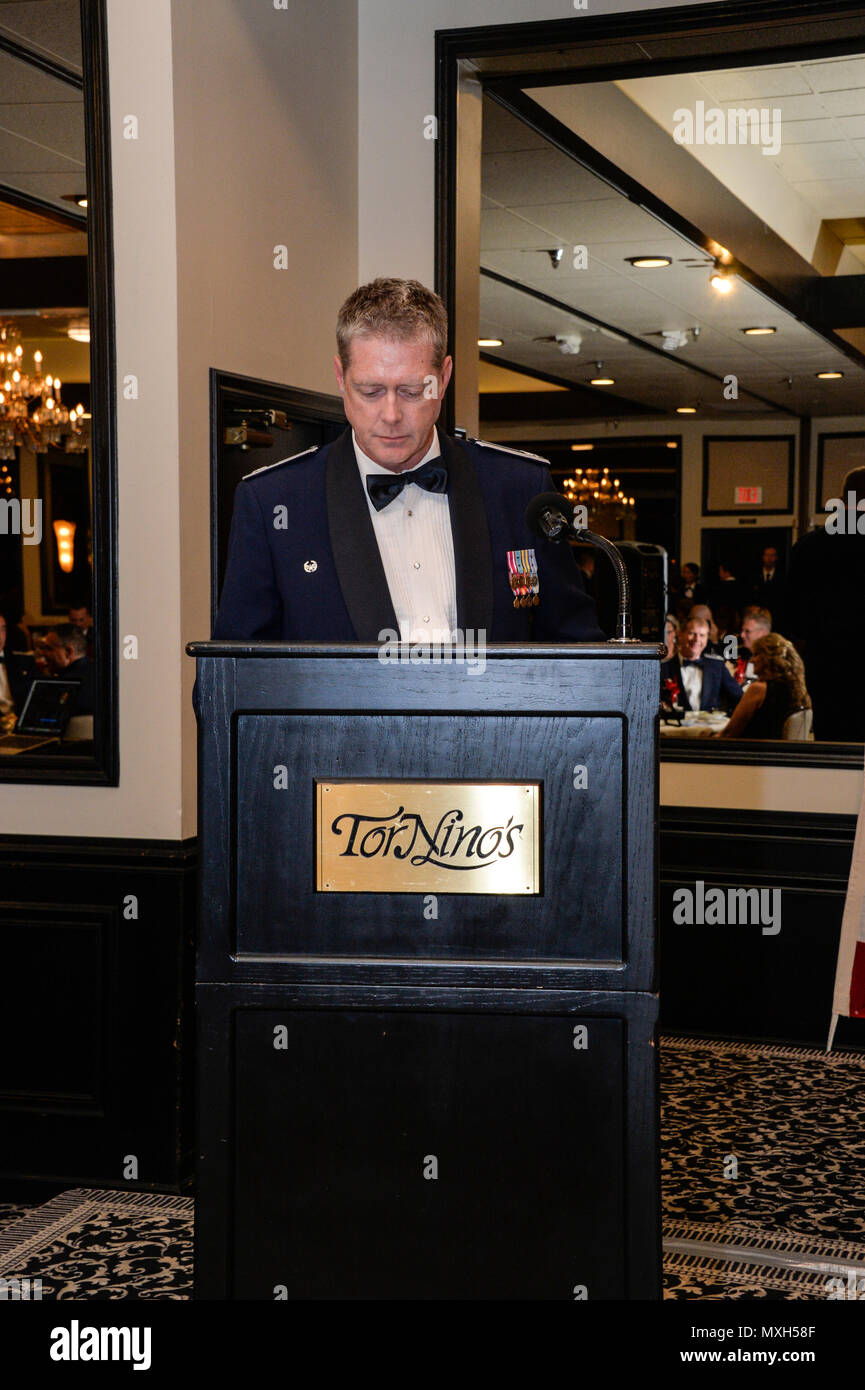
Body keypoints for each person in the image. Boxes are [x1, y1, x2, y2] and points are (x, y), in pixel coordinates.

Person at [215, 279, 603, 644]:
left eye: (412, 391)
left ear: (444, 376)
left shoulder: (519, 489)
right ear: (340, 376)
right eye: (370, 391)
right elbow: (232, 682)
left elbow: (576, 649)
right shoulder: (274, 503)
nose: (391, 414)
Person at [787, 465, 865, 742]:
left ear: (844, 500)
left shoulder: (809, 547)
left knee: (831, 752)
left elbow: (790, 614)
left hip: (824, 670)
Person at [719, 632, 810, 740]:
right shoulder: (800, 692)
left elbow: (729, 734)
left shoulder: (758, 690)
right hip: (783, 755)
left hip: (751, 754)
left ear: (769, 657)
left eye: (756, 654)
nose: (751, 660)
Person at [660, 616, 743, 713]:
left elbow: (739, 699)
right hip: (674, 726)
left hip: (710, 727)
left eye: (702, 635)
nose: (697, 639)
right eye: (692, 633)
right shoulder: (663, 667)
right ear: (680, 634)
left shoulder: (717, 666)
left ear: (707, 638)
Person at [42, 624, 94, 715]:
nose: (43, 653)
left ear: (68, 652)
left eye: (49, 649)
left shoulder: (63, 685)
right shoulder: (103, 675)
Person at [750, 545, 785, 626]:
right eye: (767, 555)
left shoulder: (782, 577)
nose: (769, 558)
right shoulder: (754, 576)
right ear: (763, 557)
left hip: (776, 618)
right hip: (758, 617)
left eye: (772, 555)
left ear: (776, 557)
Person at [737, 607, 772, 685]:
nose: (742, 635)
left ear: (762, 633)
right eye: (742, 631)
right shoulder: (738, 654)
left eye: (747, 631)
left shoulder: (771, 662)